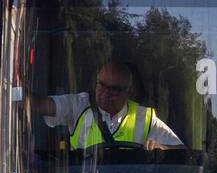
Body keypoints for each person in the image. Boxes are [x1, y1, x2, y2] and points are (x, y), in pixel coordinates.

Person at [33, 60, 184, 150]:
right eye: (102, 85)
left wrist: (161, 148)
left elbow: (182, 153)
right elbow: (39, 105)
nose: (105, 93)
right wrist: (15, 92)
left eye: (114, 89)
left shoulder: (145, 118)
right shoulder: (77, 105)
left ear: (128, 91)